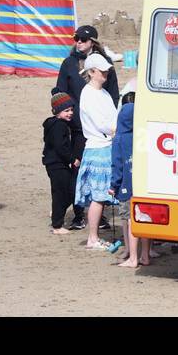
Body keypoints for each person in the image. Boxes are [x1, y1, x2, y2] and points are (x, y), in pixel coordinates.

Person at [51, 23, 118, 231]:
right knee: (77, 168)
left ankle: (97, 214)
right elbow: (59, 90)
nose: (79, 42)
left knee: (102, 173)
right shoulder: (69, 63)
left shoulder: (104, 66)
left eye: (83, 39)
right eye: (76, 39)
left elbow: (113, 94)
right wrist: (63, 114)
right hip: (76, 126)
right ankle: (78, 214)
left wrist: (111, 122)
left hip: (100, 130)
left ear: (93, 42)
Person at [73, 53, 118, 250]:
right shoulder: (88, 94)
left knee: (103, 195)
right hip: (97, 147)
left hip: (107, 146)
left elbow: (113, 116)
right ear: (91, 72)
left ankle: (95, 236)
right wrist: (117, 130)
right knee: (98, 196)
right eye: (102, 70)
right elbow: (101, 123)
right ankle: (92, 237)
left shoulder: (104, 93)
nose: (106, 72)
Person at [109, 89, 148, 269]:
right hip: (143, 183)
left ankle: (132, 258)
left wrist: (113, 185)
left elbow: (117, 165)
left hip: (126, 185)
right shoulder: (143, 136)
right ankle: (145, 255)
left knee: (130, 220)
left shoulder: (119, 140)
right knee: (145, 219)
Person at [43, 92, 78, 234]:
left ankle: (57, 213)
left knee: (69, 191)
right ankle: (57, 225)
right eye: (66, 111)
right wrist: (72, 159)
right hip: (56, 164)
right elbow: (60, 146)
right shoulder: (58, 126)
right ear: (57, 112)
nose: (70, 113)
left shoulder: (60, 124)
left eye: (71, 110)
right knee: (61, 193)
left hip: (57, 164)